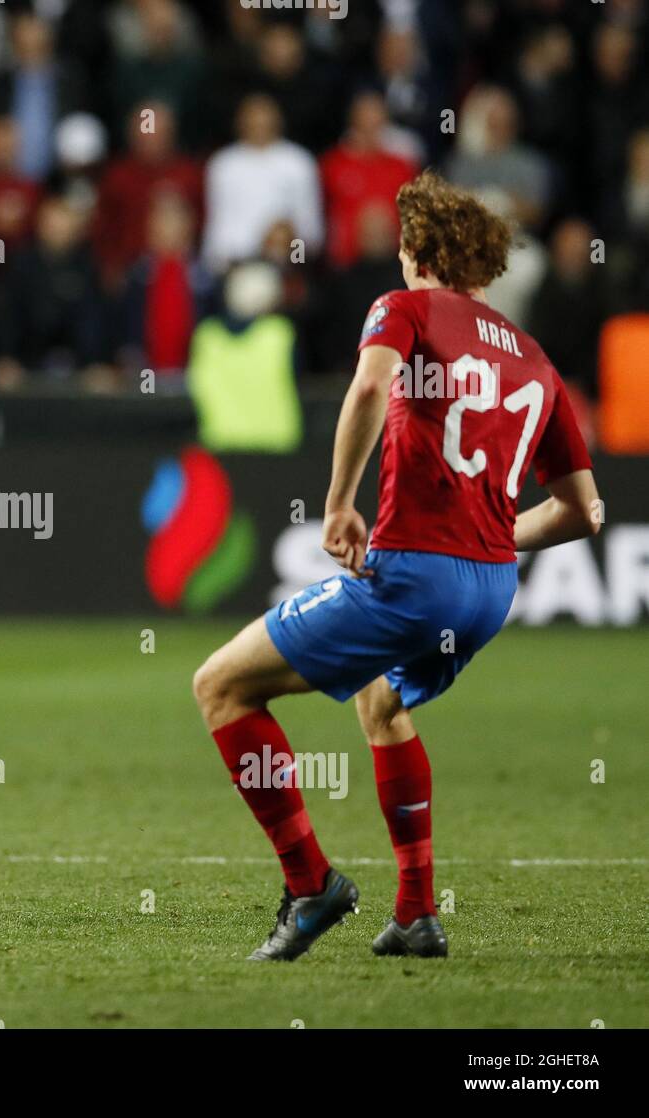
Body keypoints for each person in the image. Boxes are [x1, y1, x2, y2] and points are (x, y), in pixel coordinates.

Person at [191, 171, 599, 961]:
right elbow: (586, 510)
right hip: (490, 590)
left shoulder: (403, 307)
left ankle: (310, 884)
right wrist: (491, 535)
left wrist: (340, 499)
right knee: (382, 700)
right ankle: (415, 912)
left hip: (415, 575)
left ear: (417, 250)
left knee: (221, 687)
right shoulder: (537, 362)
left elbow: (371, 383)